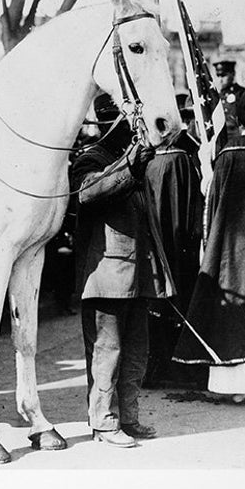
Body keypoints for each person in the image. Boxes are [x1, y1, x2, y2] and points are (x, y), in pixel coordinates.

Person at [172, 88, 245, 404]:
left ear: (239, 120)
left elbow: (212, 203)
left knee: (240, 311)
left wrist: (205, 169)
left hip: (236, 253)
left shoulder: (227, 156)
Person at [70, 94, 168, 447]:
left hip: (136, 275)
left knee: (136, 353)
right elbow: (88, 192)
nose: (133, 128)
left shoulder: (130, 158)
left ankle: (128, 417)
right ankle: (104, 422)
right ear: (111, 122)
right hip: (106, 276)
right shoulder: (91, 159)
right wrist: (130, 162)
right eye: (126, 121)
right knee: (107, 353)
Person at [142, 94, 206, 387]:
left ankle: (155, 368)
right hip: (180, 248)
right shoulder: (181, 160)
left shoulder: (151, 162)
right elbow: (192, 209)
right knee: (180, 300)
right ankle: (179, 369)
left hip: (157, 247)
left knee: (157, 306)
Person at [213, 59, 243, 136]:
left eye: (223, 76)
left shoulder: (241, 94)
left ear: (233, 74)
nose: (220, 80)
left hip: (236, 135)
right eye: (218, 76)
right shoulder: (215, 95)